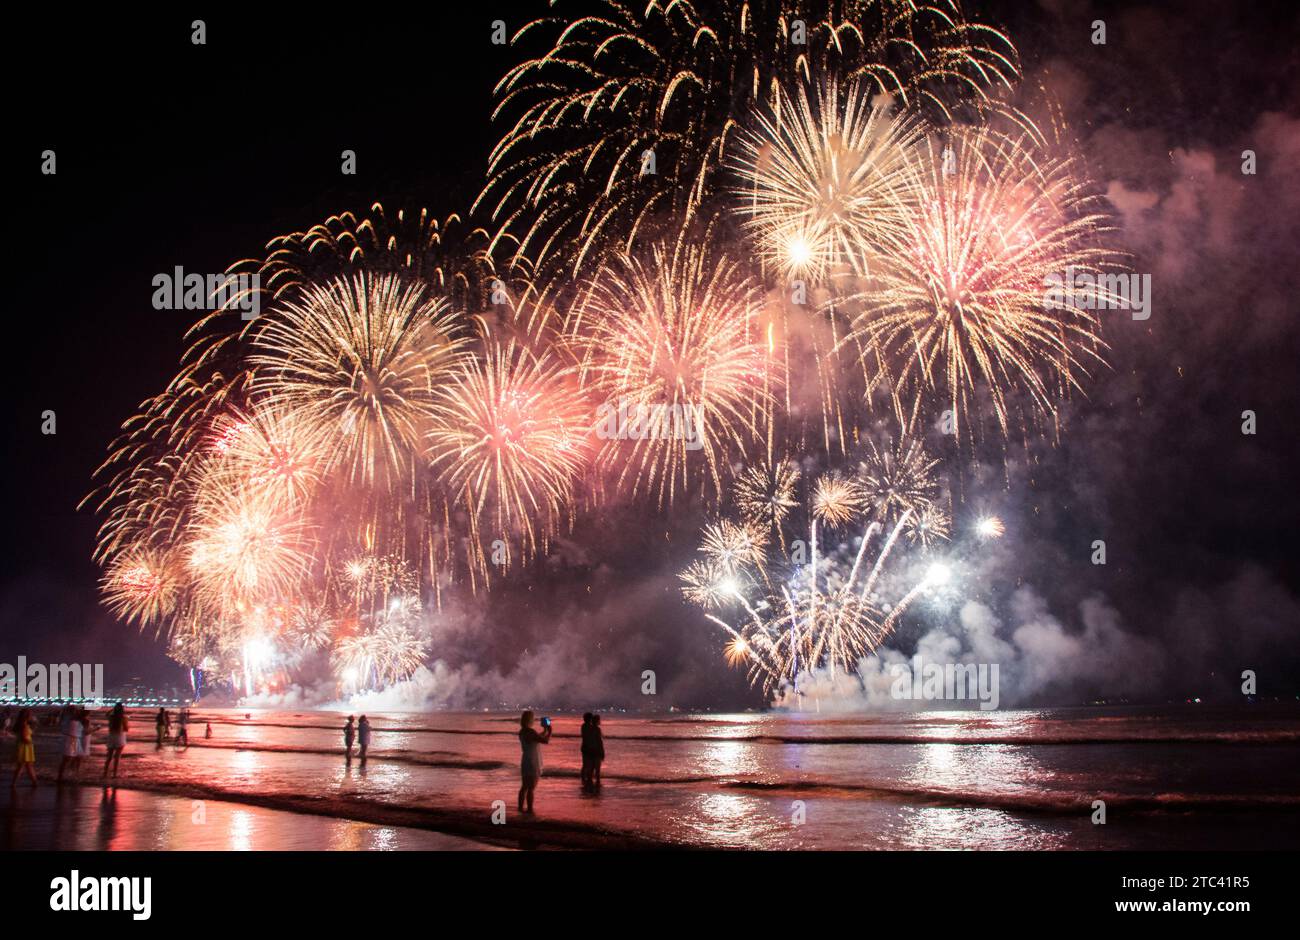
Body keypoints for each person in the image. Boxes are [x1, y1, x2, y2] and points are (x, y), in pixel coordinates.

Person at [516, 710, 552, 814]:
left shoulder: (522, 731)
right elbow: (545, 741)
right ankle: (530, 809)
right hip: (533, 761)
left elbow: (537, 738)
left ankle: (520, 807)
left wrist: (545, 730)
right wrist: (550, 731)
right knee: (531, 788)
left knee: (524, 786)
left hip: (526, 760)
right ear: (530, 719)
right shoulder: (530, 732)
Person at [11, 709, 37, 788]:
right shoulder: (24, 725)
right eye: (30, 715)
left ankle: (34, 782)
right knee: (23, 765)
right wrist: (31, 743)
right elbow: (24, 737)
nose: (32, 716)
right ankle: (14, 783)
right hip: (25, 747)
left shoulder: (22, 724)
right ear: (27, 716)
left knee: (27, 765)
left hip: (23, 746)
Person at [103, 703, 128, 779]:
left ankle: (105, 773)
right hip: (120, 737)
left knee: (109, 756)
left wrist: (112, 709)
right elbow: (126, 729)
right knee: (117, 757)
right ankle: (114, 774)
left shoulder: (111, 717)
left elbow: (106, 714)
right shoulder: (124, 717)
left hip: (111, 736)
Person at [58, 708, 82, 783]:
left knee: (78, 757)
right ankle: (60, 777)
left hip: (75, 737)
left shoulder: (69, 716)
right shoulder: (69, 716)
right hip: (70, 738)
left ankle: (72, 774)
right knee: (67, 758)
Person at [589, 713, 605, 790]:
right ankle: (597, 782)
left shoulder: (589, 729)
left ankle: (590, 781)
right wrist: (602, 752)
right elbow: (599, 741)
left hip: (591, 750)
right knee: (597, 768)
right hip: (597, 750)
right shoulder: (597, 729)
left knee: (591, 768)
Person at [579, 712, 595, 791]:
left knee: (585, 764)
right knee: (588, 764)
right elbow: (588, 737)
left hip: (585, 746)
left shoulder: (584, 726)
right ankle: (586, 778)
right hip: (587, 747)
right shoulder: (588, 726)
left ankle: (584, 777)